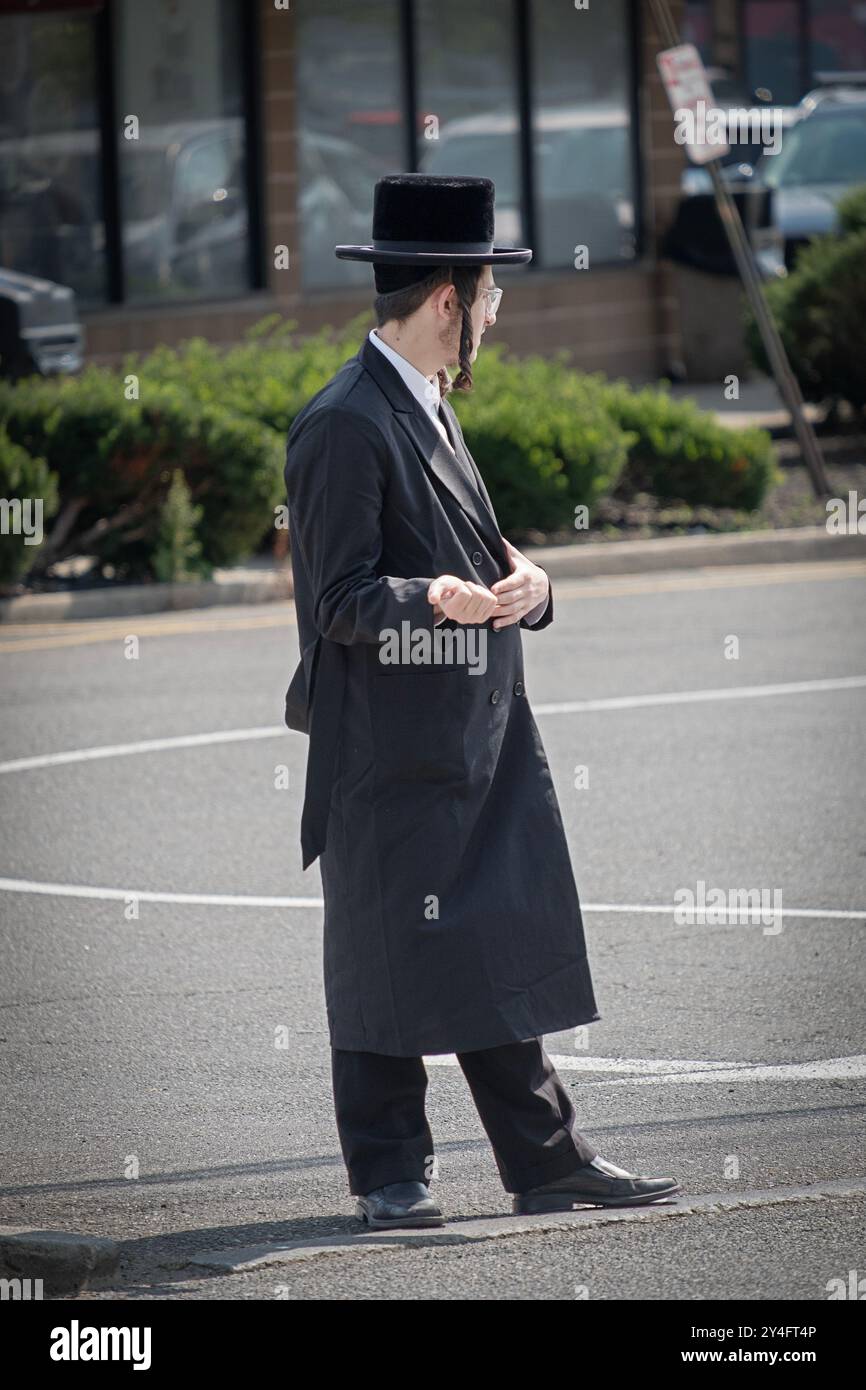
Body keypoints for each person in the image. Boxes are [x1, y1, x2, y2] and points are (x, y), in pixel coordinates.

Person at [283, 173, 679, 1228]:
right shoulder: (343, 423)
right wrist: (434, 599)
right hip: (384, 747)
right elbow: (336, 601)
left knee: (490, 939)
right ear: (447, 299)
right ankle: (388, 1171)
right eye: (488, 292)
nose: (497, 312)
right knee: (383, 948)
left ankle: (544, 1159)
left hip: (475, 735)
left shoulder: (428, 407)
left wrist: (532, 585)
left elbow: (483, 555)